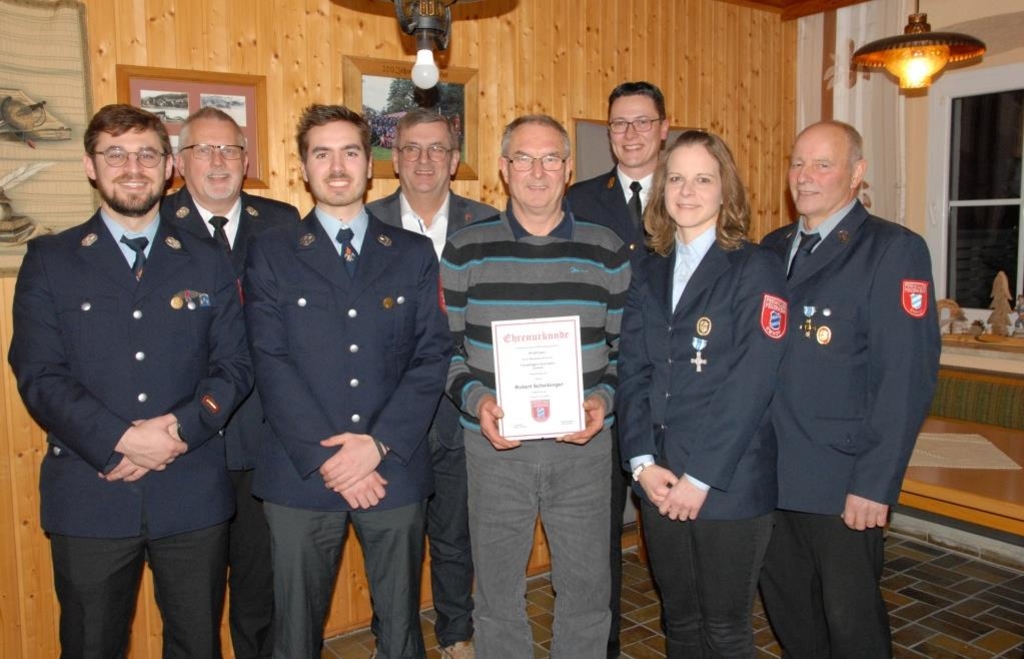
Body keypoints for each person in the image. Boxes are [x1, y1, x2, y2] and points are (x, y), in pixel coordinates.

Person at [7, 103, 253, 658]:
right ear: (91, 167)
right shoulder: (50, 259)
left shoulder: (208, 260)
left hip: (190, 491)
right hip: (91, 491)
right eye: (115, 154)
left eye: (146, 154)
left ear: (168, 167)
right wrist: (120, 438)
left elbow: (234, 366)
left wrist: (179, 429)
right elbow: (38, 373)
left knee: (196, 645)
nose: (132, 167)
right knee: (91, 646)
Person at [244, 104, 451, 659]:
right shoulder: (270, 254)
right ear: (304, 168)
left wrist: (376, 445)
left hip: (393, 468)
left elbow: (432, 354)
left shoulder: (411, 253)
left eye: (350, 152)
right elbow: (270, 359)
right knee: (293, 635)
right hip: (301, 472)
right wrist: (332, 457)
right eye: (322, 154)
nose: (337, 166)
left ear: (371, 163)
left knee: (402, 629)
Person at [440, 114, 631, 659]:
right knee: (498, 595)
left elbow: (625, 352)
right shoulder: (466, 250)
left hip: (585, 451)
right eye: (523, 158)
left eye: (551, 158)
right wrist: (478, 403)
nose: (537, 170)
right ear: (503, 169)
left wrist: (602, 400)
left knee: (588, 594)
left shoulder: (606, 248)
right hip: (496, 450)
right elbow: (443, 350)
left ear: (569, 169)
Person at [758, 120, 940, 658]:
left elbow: (905, 378)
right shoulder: (771, 248)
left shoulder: (892, 249)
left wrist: (875, 483)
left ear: (857, 173)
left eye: (822, 164)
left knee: (851, 623)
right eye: (797, 163)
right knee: (791, 615)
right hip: (769, 474)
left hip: (842, 484)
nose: (804, 177)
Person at [616, 131, 787, 657]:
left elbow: (752, 383)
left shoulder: (756, 267)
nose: (687, 192)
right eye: (676, 179)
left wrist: (701, 477)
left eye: (703, 179)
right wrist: (641, 464)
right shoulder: (649, 269)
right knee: (681, 622)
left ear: (725, 191)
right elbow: (634, 371)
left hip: (727, 480)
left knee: (726, 628)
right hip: (662, 479)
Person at [162, 106, 300, 659]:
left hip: (266, 437)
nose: (219, 162)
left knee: (259, 588)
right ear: (179, 161)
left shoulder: (285, 222)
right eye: (204, 150)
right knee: (191, 600)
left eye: (230, 150)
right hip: (187, 441)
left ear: (248, 160)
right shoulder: (156, 224)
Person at [366, 107, 497, 659]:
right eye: (413, 148)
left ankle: (456, 634)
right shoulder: (363, 223)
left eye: (437, 148)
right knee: (390, 540)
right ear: (393, 158)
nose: (425, 159)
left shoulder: (490, 224)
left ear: (455, 159)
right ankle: (390, 639)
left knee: (454, 535)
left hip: (464, 408)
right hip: (385, 414)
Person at [565, 81, 668, 656]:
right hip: (595, 391)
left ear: (663, 128)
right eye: (619, 124)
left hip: (668, 389)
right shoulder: (579, 199)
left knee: (672, 527)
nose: (630, 134)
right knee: (594, 537)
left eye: (641, 122)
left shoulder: (686, 194)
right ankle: (600, 646)